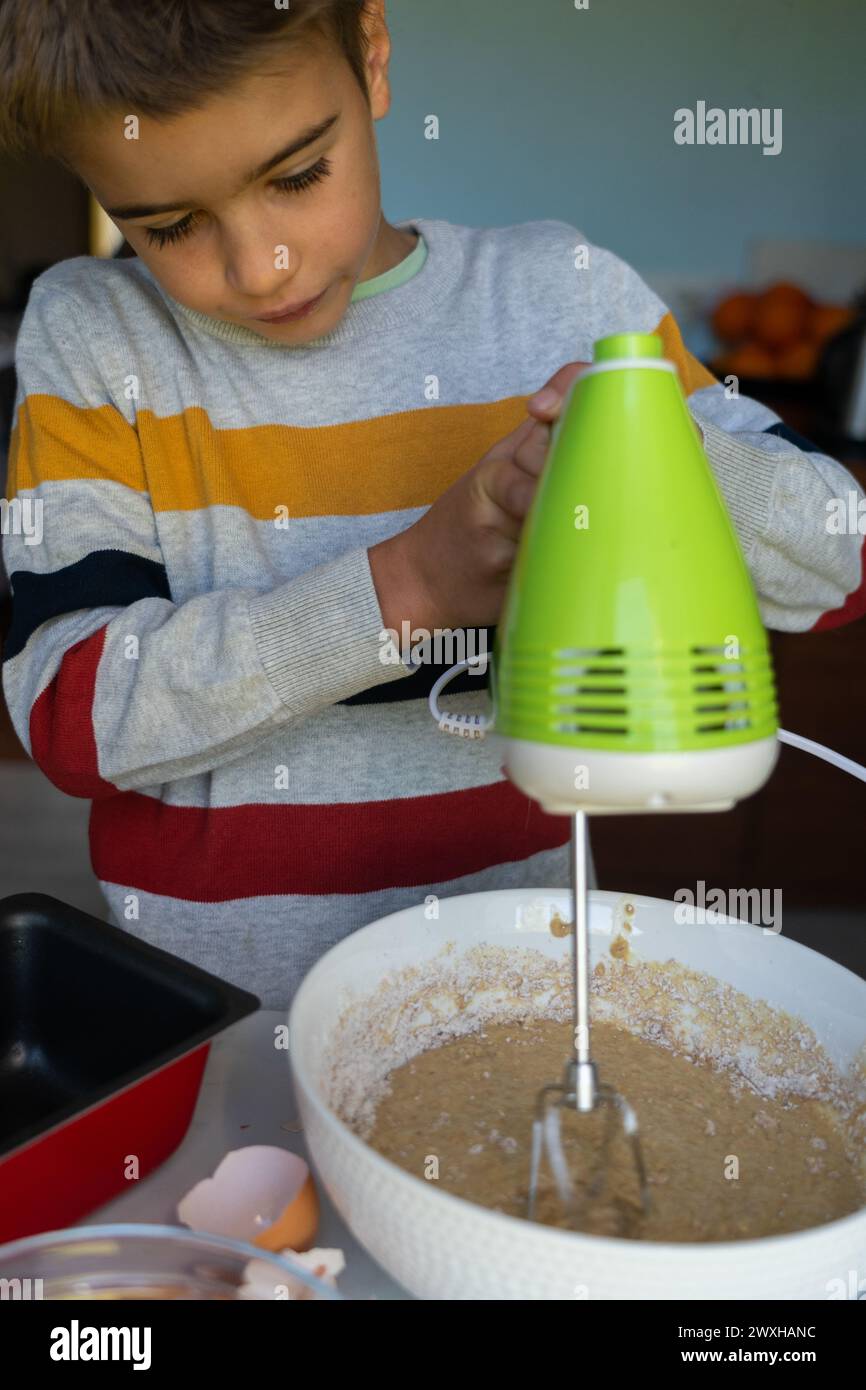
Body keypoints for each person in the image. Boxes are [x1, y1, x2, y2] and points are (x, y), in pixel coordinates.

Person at [0, 1, 863, 1006]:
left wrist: (665, 463)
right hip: (221, 1017)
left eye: (295, 176)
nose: (257, 266)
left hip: (517, 987)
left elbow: (835, 568)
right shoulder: (96, 335)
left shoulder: (561, 300)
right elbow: (69, 715)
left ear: (369, 58)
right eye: (170, 225)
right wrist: (408, 587)